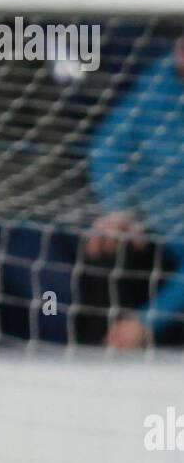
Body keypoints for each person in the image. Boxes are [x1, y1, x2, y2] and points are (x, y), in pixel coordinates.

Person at [85, 35, 184, 349]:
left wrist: (148, 319)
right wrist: (118, 210)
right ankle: (91, 357)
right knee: (102, 247)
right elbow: (106, 148)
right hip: (151, 228)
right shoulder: (159, 82)